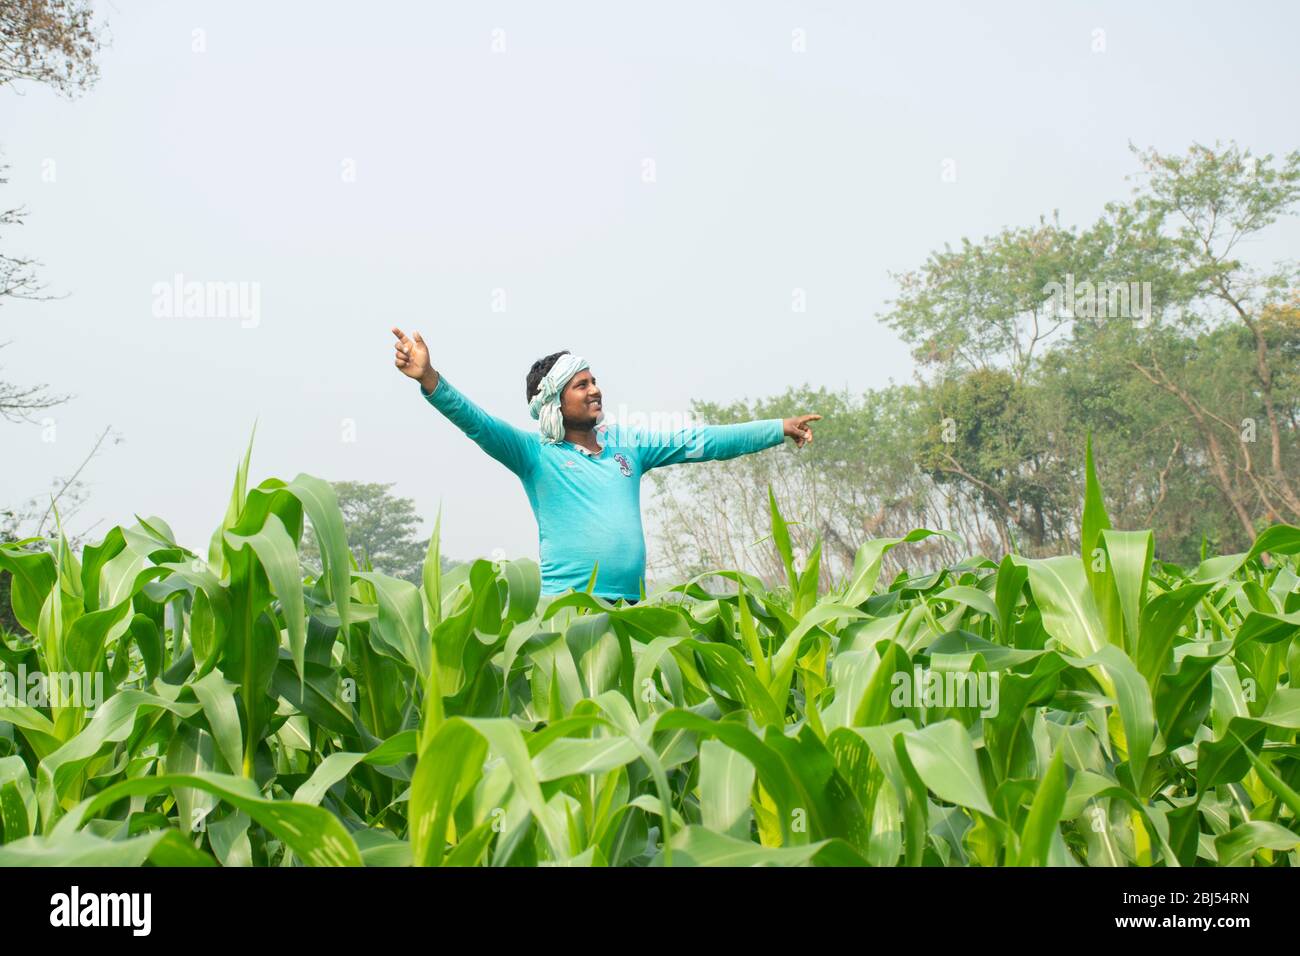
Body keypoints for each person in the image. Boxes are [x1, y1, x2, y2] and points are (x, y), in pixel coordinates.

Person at [391, 327, 820, 603]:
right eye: (582, 385)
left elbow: (703, 441)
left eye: (594, 381)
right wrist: (430, 378)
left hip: (632, 607)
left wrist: (777, 427)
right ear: (553, 402)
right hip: (568, 610)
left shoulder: (628, 446)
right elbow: (478, 424)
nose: (596, 390)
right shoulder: (535, 455)